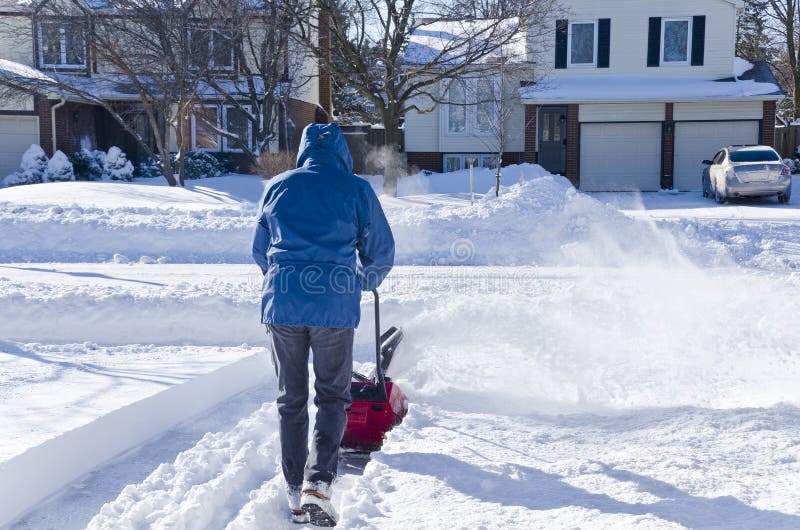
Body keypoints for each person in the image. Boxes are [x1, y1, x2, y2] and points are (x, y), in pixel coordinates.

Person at [252, 123, 395, 527]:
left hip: (282, 305)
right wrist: (357, 282)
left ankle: (295, 491)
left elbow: (259, 250)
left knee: (290, 399)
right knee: (333, 396)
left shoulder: (278, 186)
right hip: (333, 304)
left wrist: (282, 282)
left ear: (303, 150)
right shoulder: (355, 189)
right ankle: (319, 485)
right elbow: (380, 251)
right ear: (341, 152)